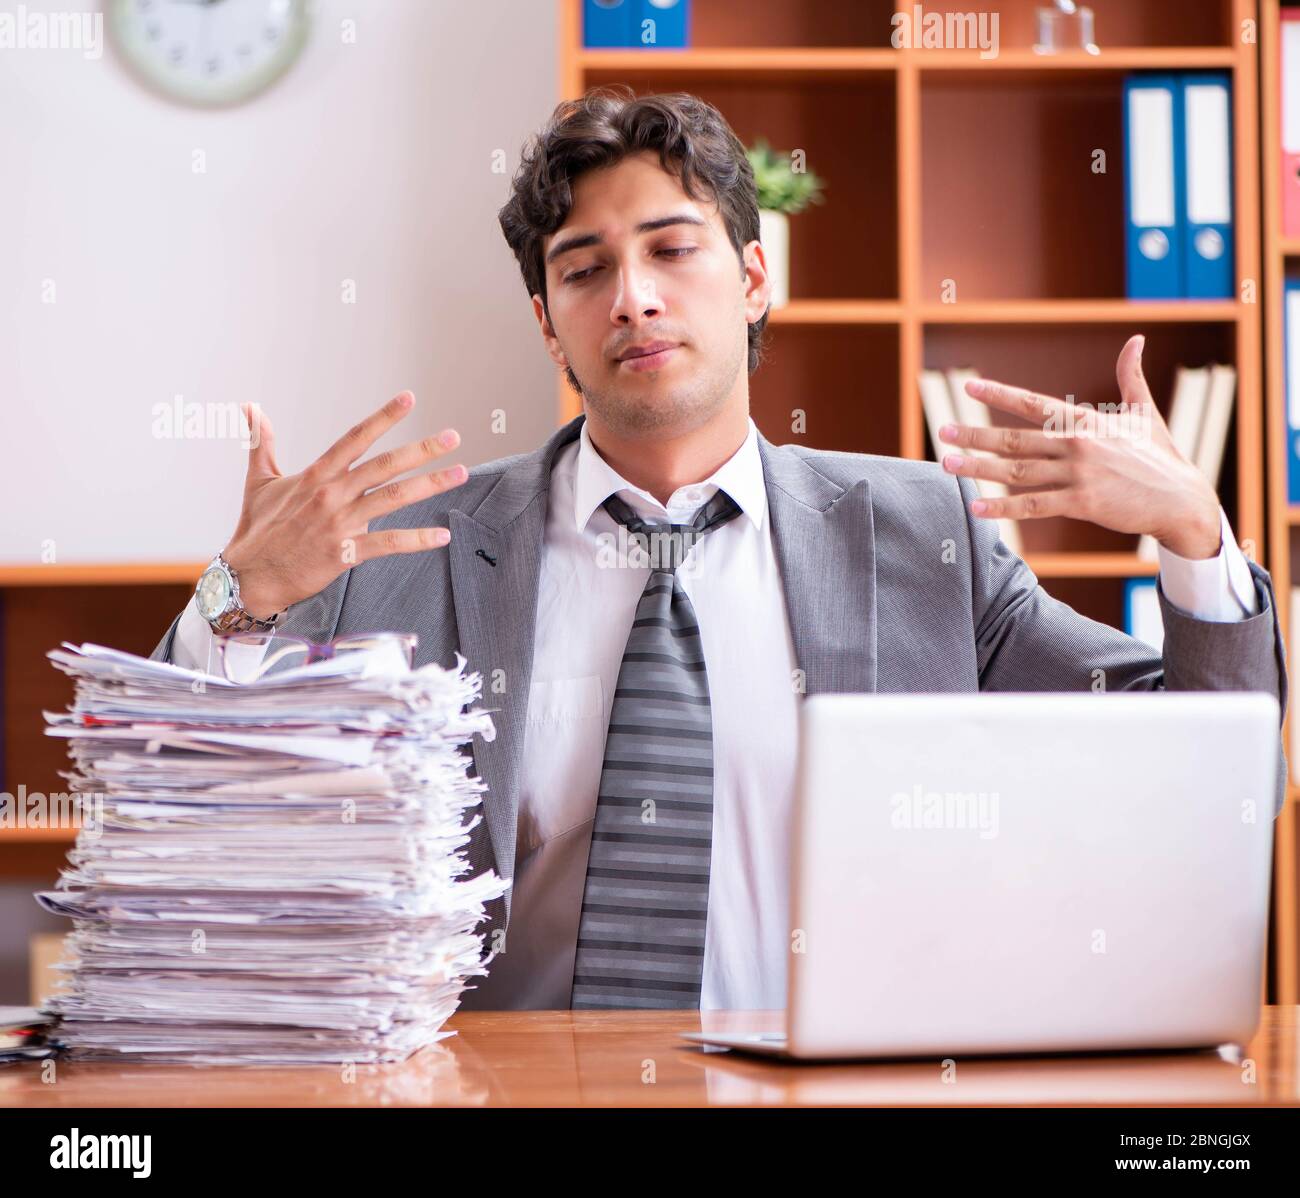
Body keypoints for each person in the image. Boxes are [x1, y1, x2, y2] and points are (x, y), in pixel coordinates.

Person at [151, 86, 1289, 1012]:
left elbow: (1212, 764)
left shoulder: (923, 533)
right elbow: (177, 809)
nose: (633, 298)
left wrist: (1194, 534)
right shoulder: (414, 544)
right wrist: (235, 594)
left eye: (672, 250)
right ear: (548, 323)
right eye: (585, 269)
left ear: (751, 281)